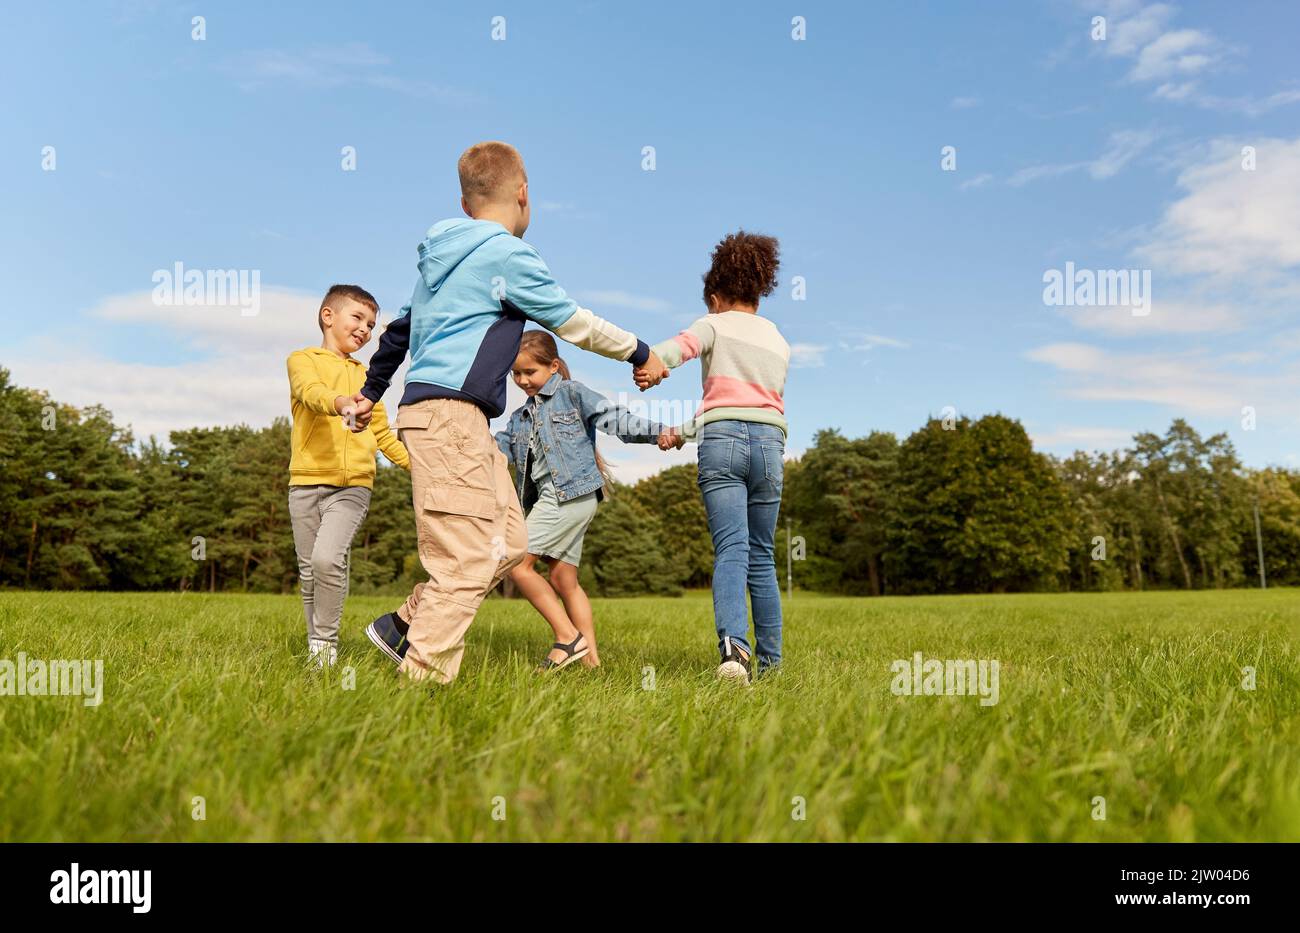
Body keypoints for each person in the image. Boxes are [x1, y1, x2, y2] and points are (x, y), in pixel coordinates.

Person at [352, 141, 668, 683]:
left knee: (510, 543)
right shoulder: (509, 256)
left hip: (460, 420)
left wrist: (369, 391)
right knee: (469, 559)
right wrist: (641, 352)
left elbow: (400, 330)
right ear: (523, 194)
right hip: (447, 417)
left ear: (466, 201)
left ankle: (404, 624)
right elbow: (572, 323)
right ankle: (421, 686)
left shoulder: (437, 264)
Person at [639, 232, 789, 684]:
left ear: (715, 296)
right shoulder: (777, 339)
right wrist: (682, 433)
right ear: (759, 295)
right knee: (762, 556)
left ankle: (734, 656)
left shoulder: (713, 323)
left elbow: (677, 351)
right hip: (770, 446)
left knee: (731, 549)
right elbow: (745, 404)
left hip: (722, 443)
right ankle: (773, 665)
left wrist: (651, 364)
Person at [496, 330, 666, 670]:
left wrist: (657, 432)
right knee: (563, 580)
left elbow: (615, 418)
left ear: (553, 366)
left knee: (515, 562)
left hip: (569, 495)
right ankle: (592, 662)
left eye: (530, 372)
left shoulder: (572, 394)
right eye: (516, 373)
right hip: (558, 499)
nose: (522, 380)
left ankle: (567, 638)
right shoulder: (520, 419)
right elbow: (492, 449)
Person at [286, 284, 410, 667]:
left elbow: (383, 434)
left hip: (353, 484)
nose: (365, 330)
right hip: (306, 480)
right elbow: (311, 393)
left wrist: (418, 468)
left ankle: (326, 644)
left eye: (371, 324)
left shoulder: (368, 378)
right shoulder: (301, 359)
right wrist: (341, 403)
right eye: (357, 318)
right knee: (309, 573)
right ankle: (317, 652)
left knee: (327, 560)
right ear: (328, 316)